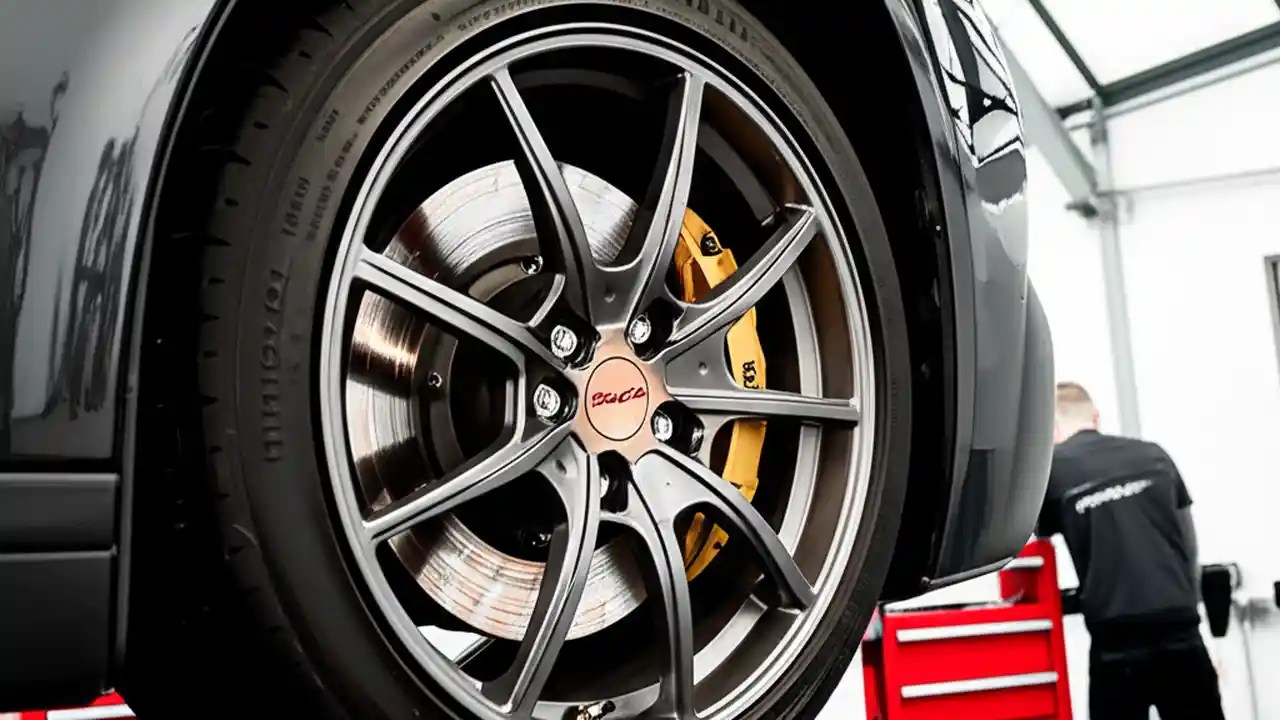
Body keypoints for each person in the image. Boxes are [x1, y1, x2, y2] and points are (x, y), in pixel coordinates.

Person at [1039, 382, 1224, 720]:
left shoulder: (1053, 470)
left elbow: (1035, 543)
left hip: (1115, 636)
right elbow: (1188, 539)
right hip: (1180, 625)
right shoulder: (1154, 453)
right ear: (1095, 416)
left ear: (1052, 427)